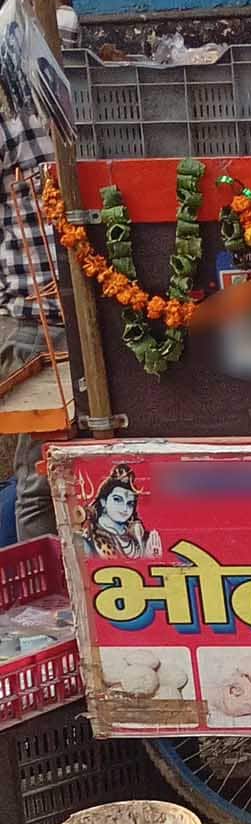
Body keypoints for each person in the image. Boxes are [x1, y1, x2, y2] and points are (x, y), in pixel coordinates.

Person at [0, 98, 65, 541]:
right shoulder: (11, 124)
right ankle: (45, 579)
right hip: (34, 322)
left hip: (96, 317)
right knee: (40, 480)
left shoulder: (76, 109)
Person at [79, 464, 161, 558]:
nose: (125, 508)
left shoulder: (139, 537)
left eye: (130, 503)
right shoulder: (89, 540)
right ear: (103, 502)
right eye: (117, 499)